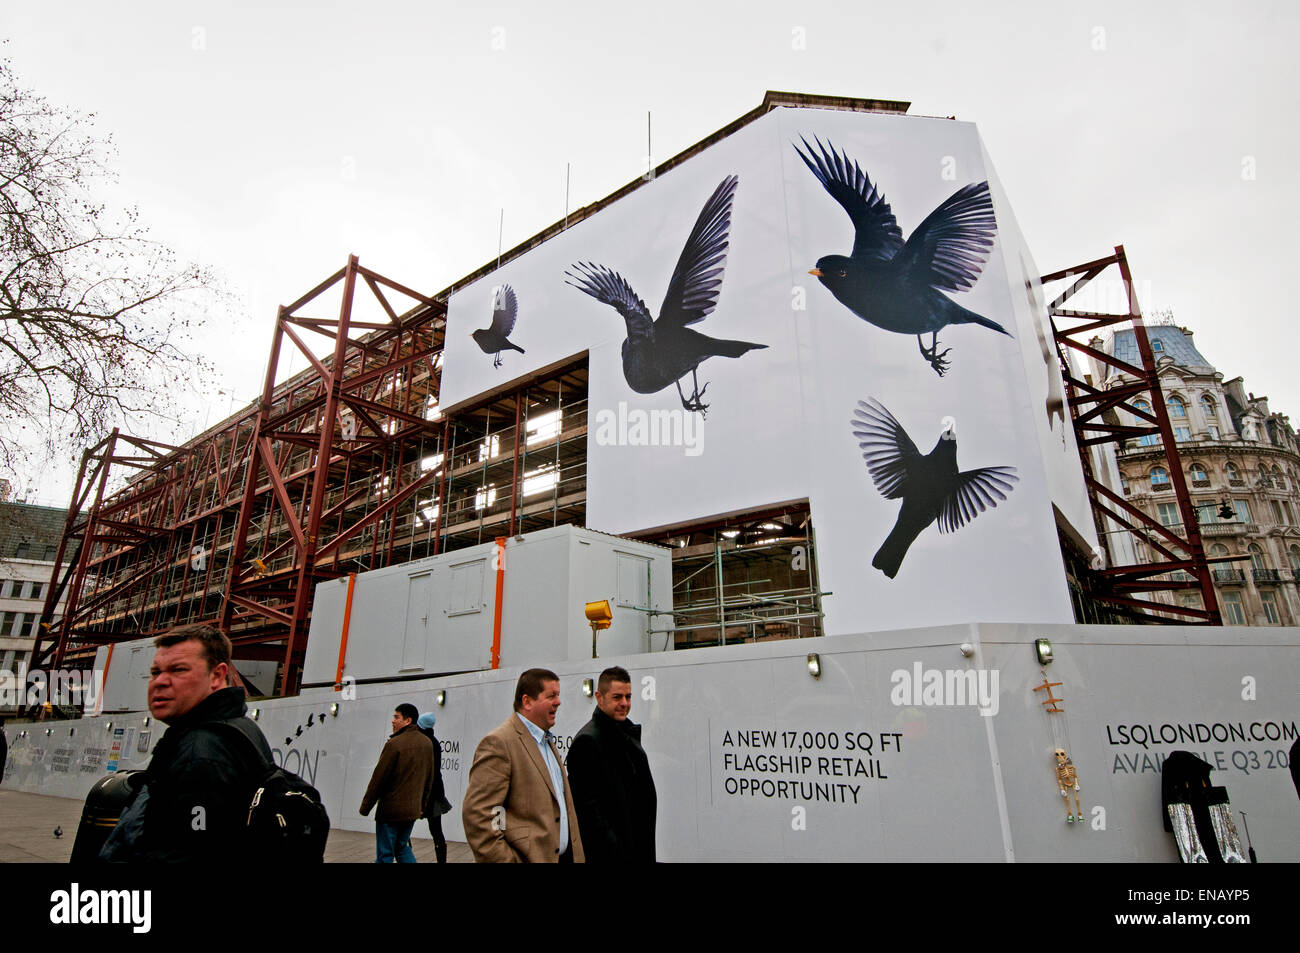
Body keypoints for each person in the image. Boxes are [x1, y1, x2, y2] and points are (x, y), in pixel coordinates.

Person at [101, 623, 273, 862]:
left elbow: (188, 851)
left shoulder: (200, 751)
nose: (160, 681)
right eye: (155, 672)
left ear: (217, 675)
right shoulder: (238, 727)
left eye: (178, 670)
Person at [462, 668, 585, 863]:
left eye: (559, 695)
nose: (558, 702)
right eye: (551, 695)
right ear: (527, 701)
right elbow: (481, 816)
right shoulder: (500, 743)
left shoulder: (546, 741)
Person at [565, 666, 657, 863]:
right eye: (617, 697)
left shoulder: (624, 733)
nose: (624, 703)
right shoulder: (588, 742)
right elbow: (589, 814)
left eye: (628, 697)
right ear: (599, 697)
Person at [359, 703, 435, 863]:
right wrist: (422, 805)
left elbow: (378, 779)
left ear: (408, 720)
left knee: (385, 854)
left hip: (390, 811)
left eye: (396, 717)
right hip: (412, 810)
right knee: (401, 848)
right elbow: (429, 778)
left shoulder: (394, 744)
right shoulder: (427, 744)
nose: (393, 721)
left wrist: (365, 807)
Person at [416, 711, 448, 863]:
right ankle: (441, 860)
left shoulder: (422, 742)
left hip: (422, 792)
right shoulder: (434, 742)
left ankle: (405, 856)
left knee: (404, 828)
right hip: (435, 793)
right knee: (436, 831)